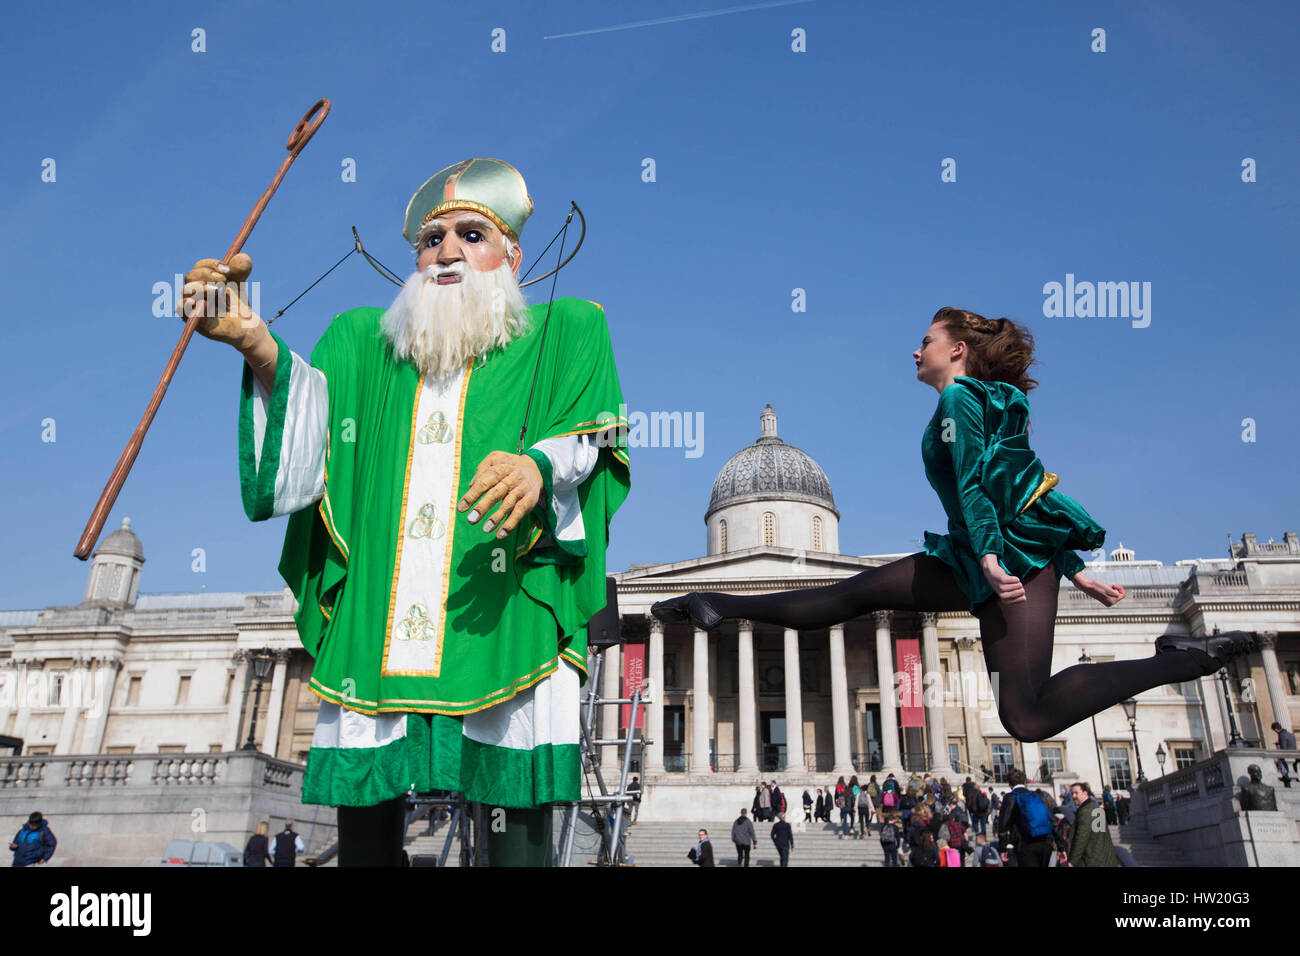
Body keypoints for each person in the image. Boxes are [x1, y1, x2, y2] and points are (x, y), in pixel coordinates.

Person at [181, 158, 629, 867]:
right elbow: (314, 428)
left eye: (471, 234)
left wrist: (539, 466)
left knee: (517, 799)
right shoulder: (366, 340)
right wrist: (254, 342)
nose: (446, 251)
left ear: (512, 254)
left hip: (503, 600)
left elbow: (596, 430)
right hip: (379, 613)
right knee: (366, 794)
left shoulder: (566, 328)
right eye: (431, 239)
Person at [651, 309, 1261, 741]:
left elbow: (978, 482)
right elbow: (1021, 482)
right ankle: (716, 599)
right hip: (982, 555)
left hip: (1001, 562)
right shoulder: (985, 403)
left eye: (926, 340)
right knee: (848, 596)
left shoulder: (961, 400)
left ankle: (1179, 658)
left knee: (1026, 718)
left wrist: (1001, 558)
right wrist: (1074, 569)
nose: (916, 351)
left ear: (958, 350)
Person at [996, 768, 1062, 867]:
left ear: (1009, 784)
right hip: (1045, 842)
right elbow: (1053, 821)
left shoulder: (1010, 797)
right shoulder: (1037, 796)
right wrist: (1061, 846)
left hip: (1025, 844)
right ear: (1025, 781)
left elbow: (1003, 825)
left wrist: (1003, 848)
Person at [1062, 782, 1120, 867]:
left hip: (1091, 858)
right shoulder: (1095, 807)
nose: (1073, 796)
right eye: (1072, 793)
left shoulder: (1085, 811)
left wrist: (1072, 861)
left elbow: (1081, 838)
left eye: (1076, 793)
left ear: (1085, 793)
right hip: (1103, 855)